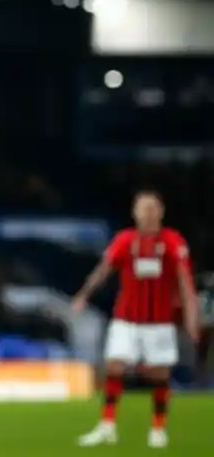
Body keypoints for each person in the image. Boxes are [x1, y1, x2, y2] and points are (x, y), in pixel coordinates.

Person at [72, 189, 198, 449]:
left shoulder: (172, 241)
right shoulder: (125, 240)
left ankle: (158, 428)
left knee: (160, 374)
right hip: (126, 320)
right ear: (135, 212)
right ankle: (107, 426)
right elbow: (103, 270)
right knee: (114, 367)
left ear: (161, 212)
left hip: (159, 322)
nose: (148, 212)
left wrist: (191, 316)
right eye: (143, 207)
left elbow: (185, 281)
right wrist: (83, 295)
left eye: (152, 207)